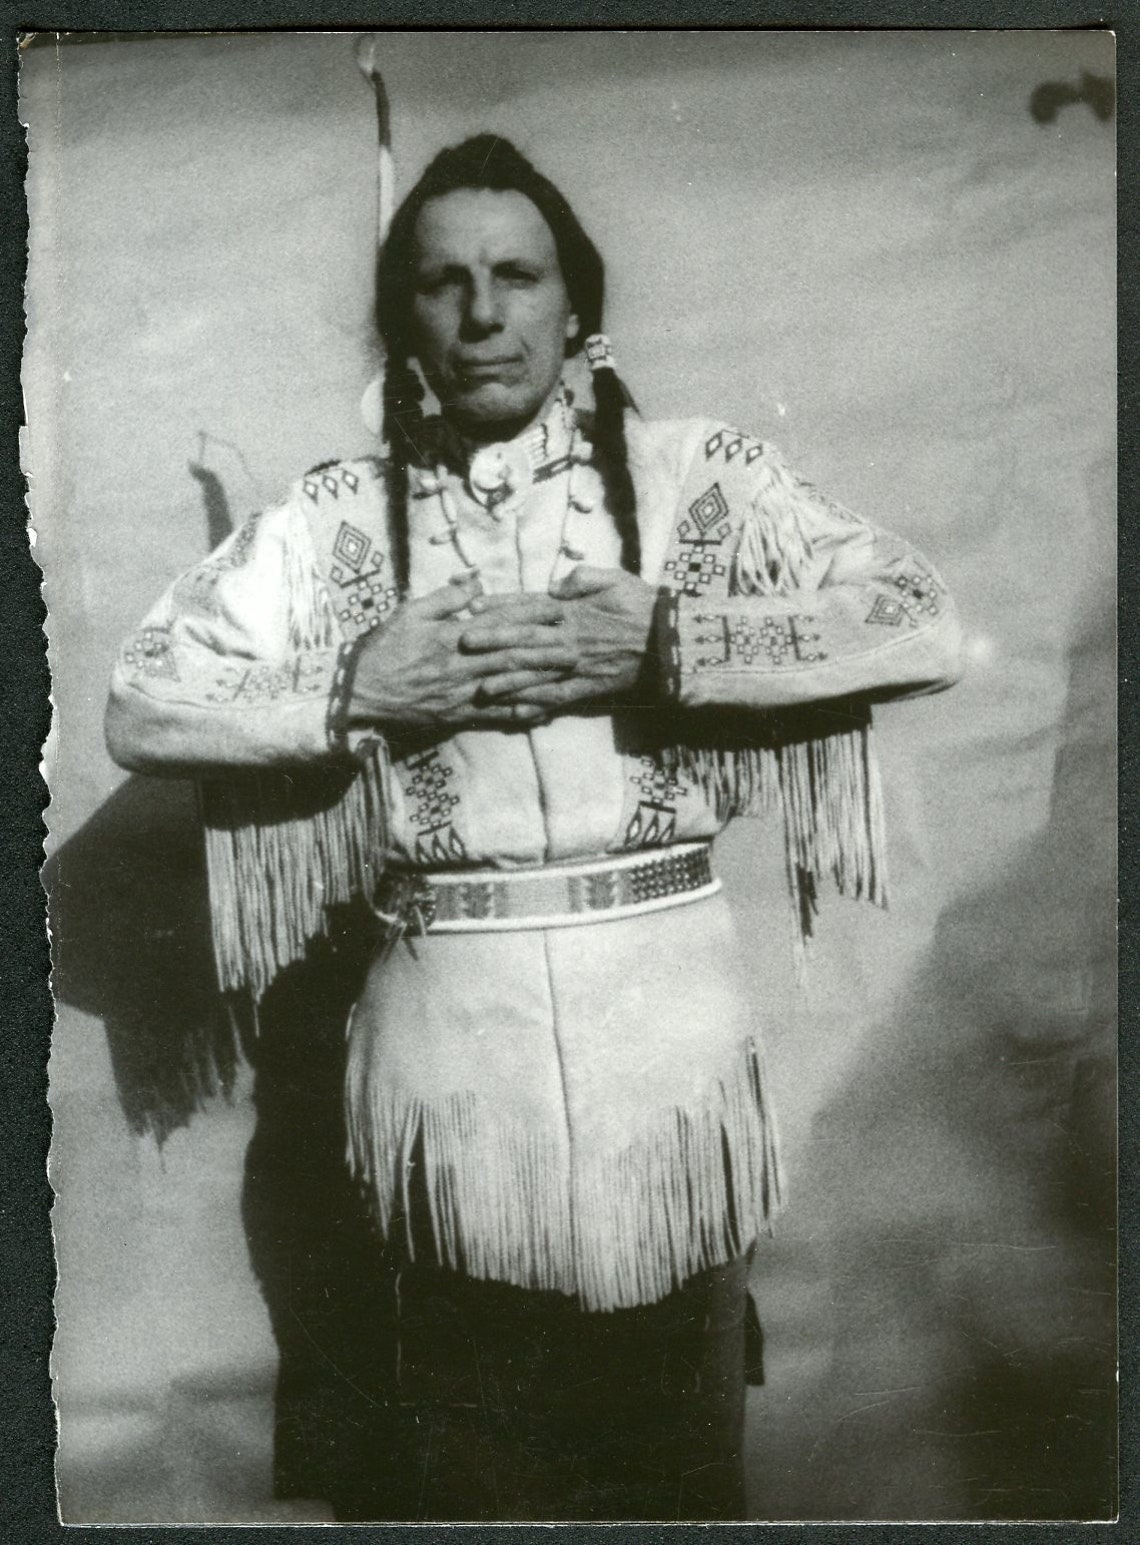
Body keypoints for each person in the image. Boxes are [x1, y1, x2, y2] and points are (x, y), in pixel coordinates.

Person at [105, 134, 963, 1522]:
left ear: (577, 306)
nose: (483, 312)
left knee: (675, 1481)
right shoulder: (336, 518)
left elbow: (919, 622)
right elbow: (145, 697)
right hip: (448, 1097)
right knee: (462, 1484)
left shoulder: (695, 477)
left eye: (517, 274)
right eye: (442, 283)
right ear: (405, 319)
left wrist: (676, 638)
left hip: (669, 1083)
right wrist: (350, 683)